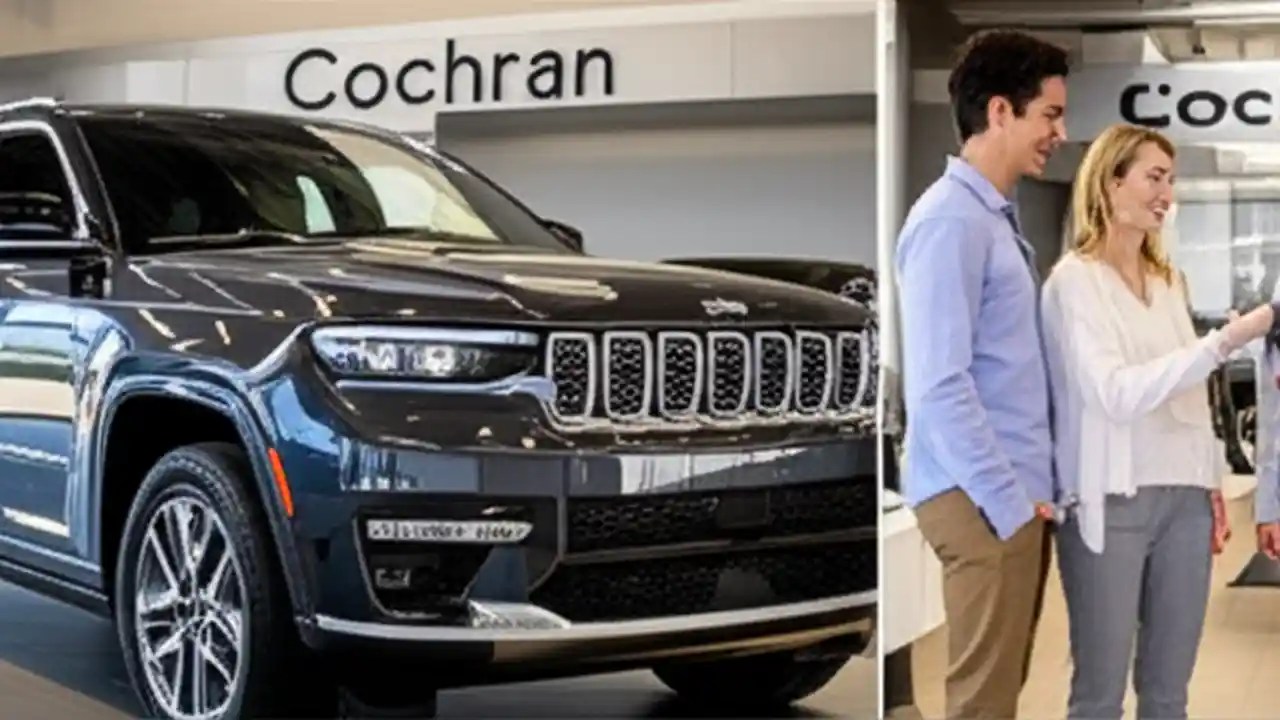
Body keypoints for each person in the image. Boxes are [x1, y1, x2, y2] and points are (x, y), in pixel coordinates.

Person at [1040, 122, 1276, 720]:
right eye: (1154, 177)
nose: (1167, 193)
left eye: (1171, 180)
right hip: (1110, 501)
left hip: (1185, 505)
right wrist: (1224, 341)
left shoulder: (1170, 282)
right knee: (1099, 694)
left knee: (1169, 690)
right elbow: (1115, 393)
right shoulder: (1074, 282)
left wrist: (1212, 484)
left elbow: (1191, 401)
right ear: (1111, 180)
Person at [894, 29, 1068, 719]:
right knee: (983, 703)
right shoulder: (950, 222)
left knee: (997, 696)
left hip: (1007, 495)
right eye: (1050, 114)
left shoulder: (990, 219)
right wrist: (1006, 500)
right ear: (1000, 111)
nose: (1060, 132)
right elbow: (939, 383)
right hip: (983, 499)